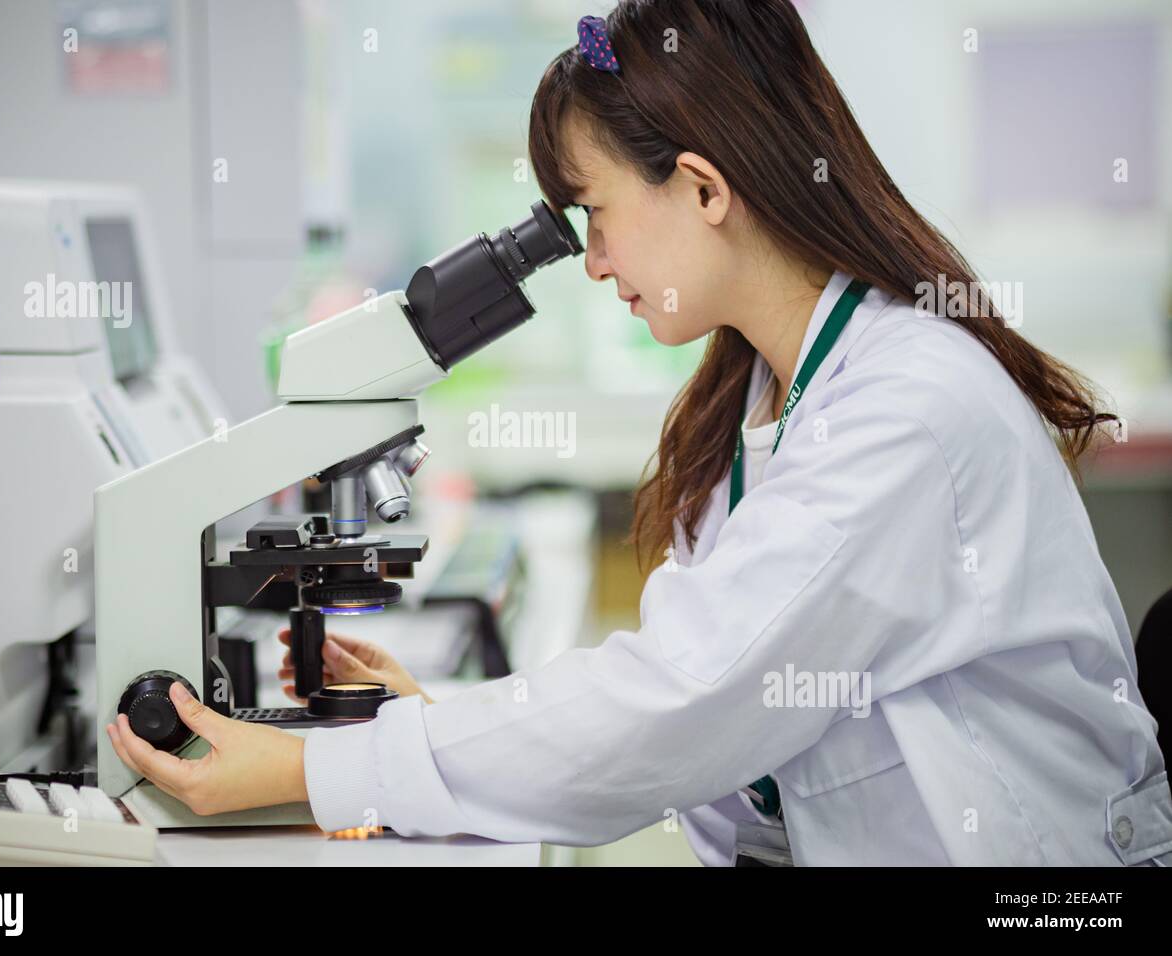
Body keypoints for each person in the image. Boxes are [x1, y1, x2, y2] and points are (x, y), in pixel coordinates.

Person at [107, 0, 1171, 865]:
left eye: (595, 213)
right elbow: (706, 713)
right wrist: (445, 730)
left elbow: (678, 703)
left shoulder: (905, 411)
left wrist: (313, 768)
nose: (594, 262)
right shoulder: (761, 395)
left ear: (702, 188)